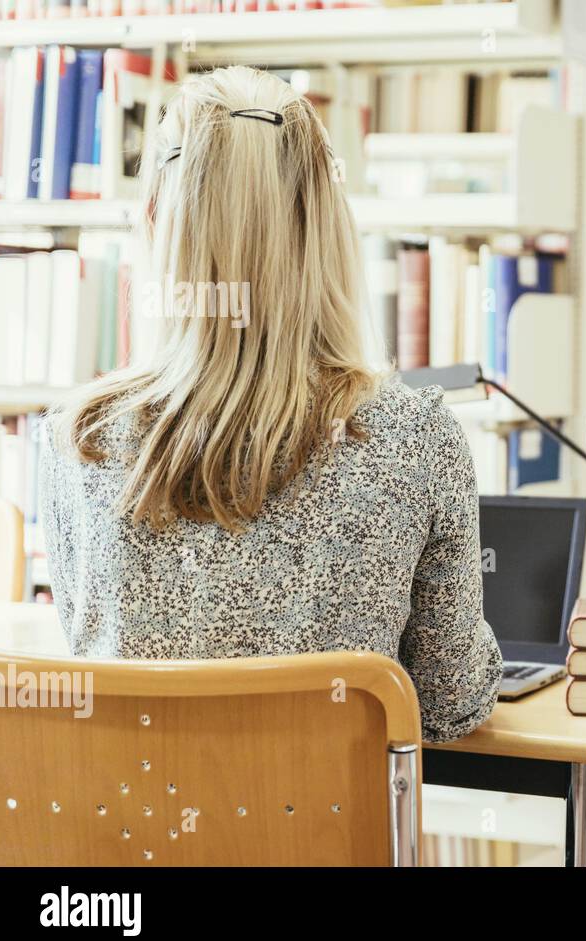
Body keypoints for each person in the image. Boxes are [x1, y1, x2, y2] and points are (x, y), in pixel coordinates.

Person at [40, 65, 501, 743]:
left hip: (124, 843)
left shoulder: (79, 440)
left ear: (154, 222)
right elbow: (450, 704)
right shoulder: (413, 437)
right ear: (327, 225)